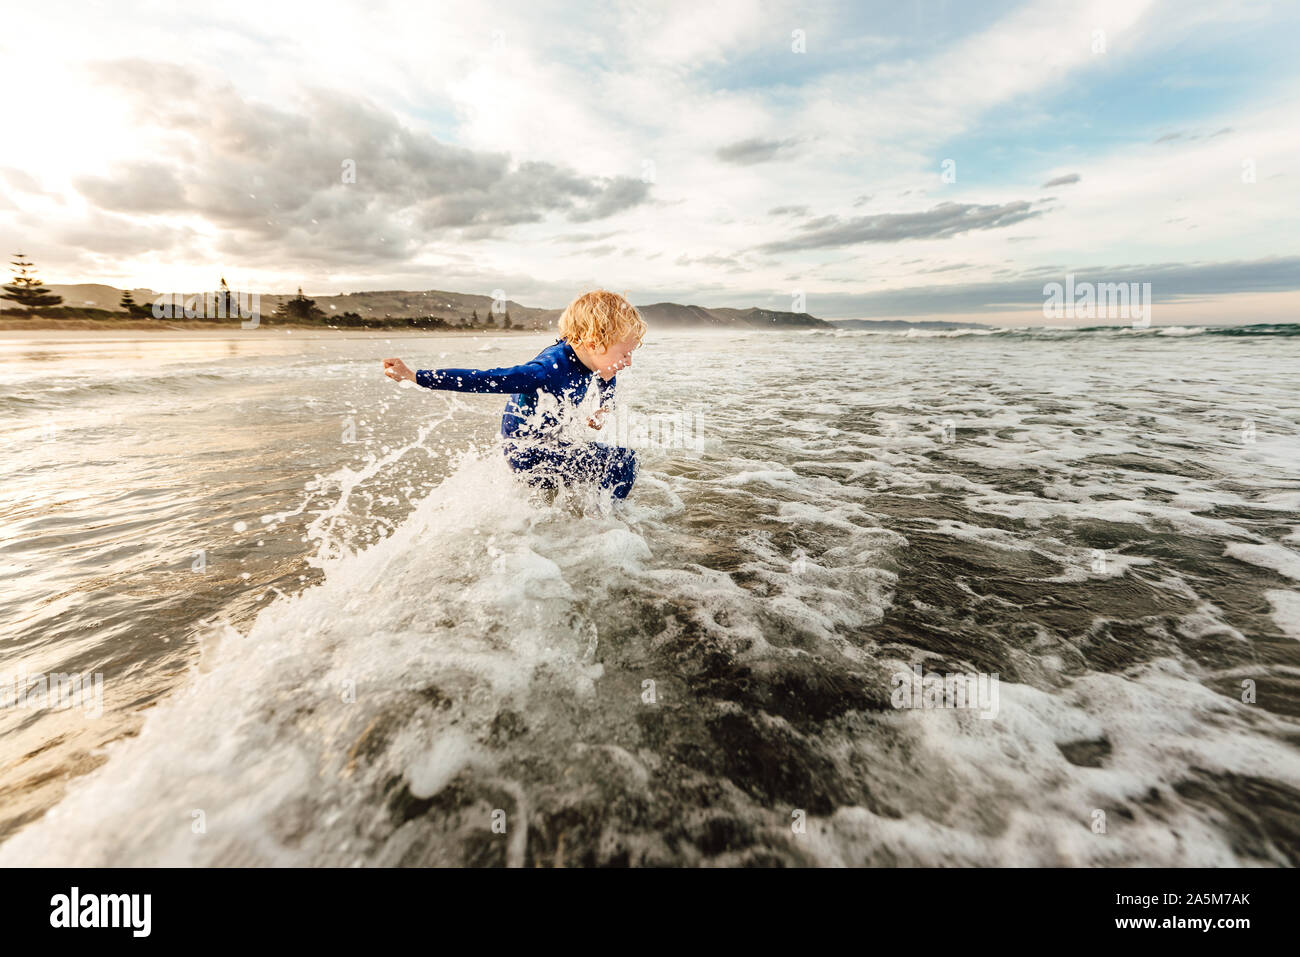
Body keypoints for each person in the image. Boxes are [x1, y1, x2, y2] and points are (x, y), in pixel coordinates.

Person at [382, 289, 646, 500]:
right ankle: (602, 520)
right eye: (625, 353)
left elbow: (607, 376)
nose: (629, 361)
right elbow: (486, 379)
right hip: (529, 456)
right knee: (623, 461)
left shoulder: (592, 355)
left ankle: (584, 508)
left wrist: (604, 407)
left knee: (604, 460)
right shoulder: (545, 371)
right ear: (592, 343)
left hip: (550, 445)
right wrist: (415, 375)